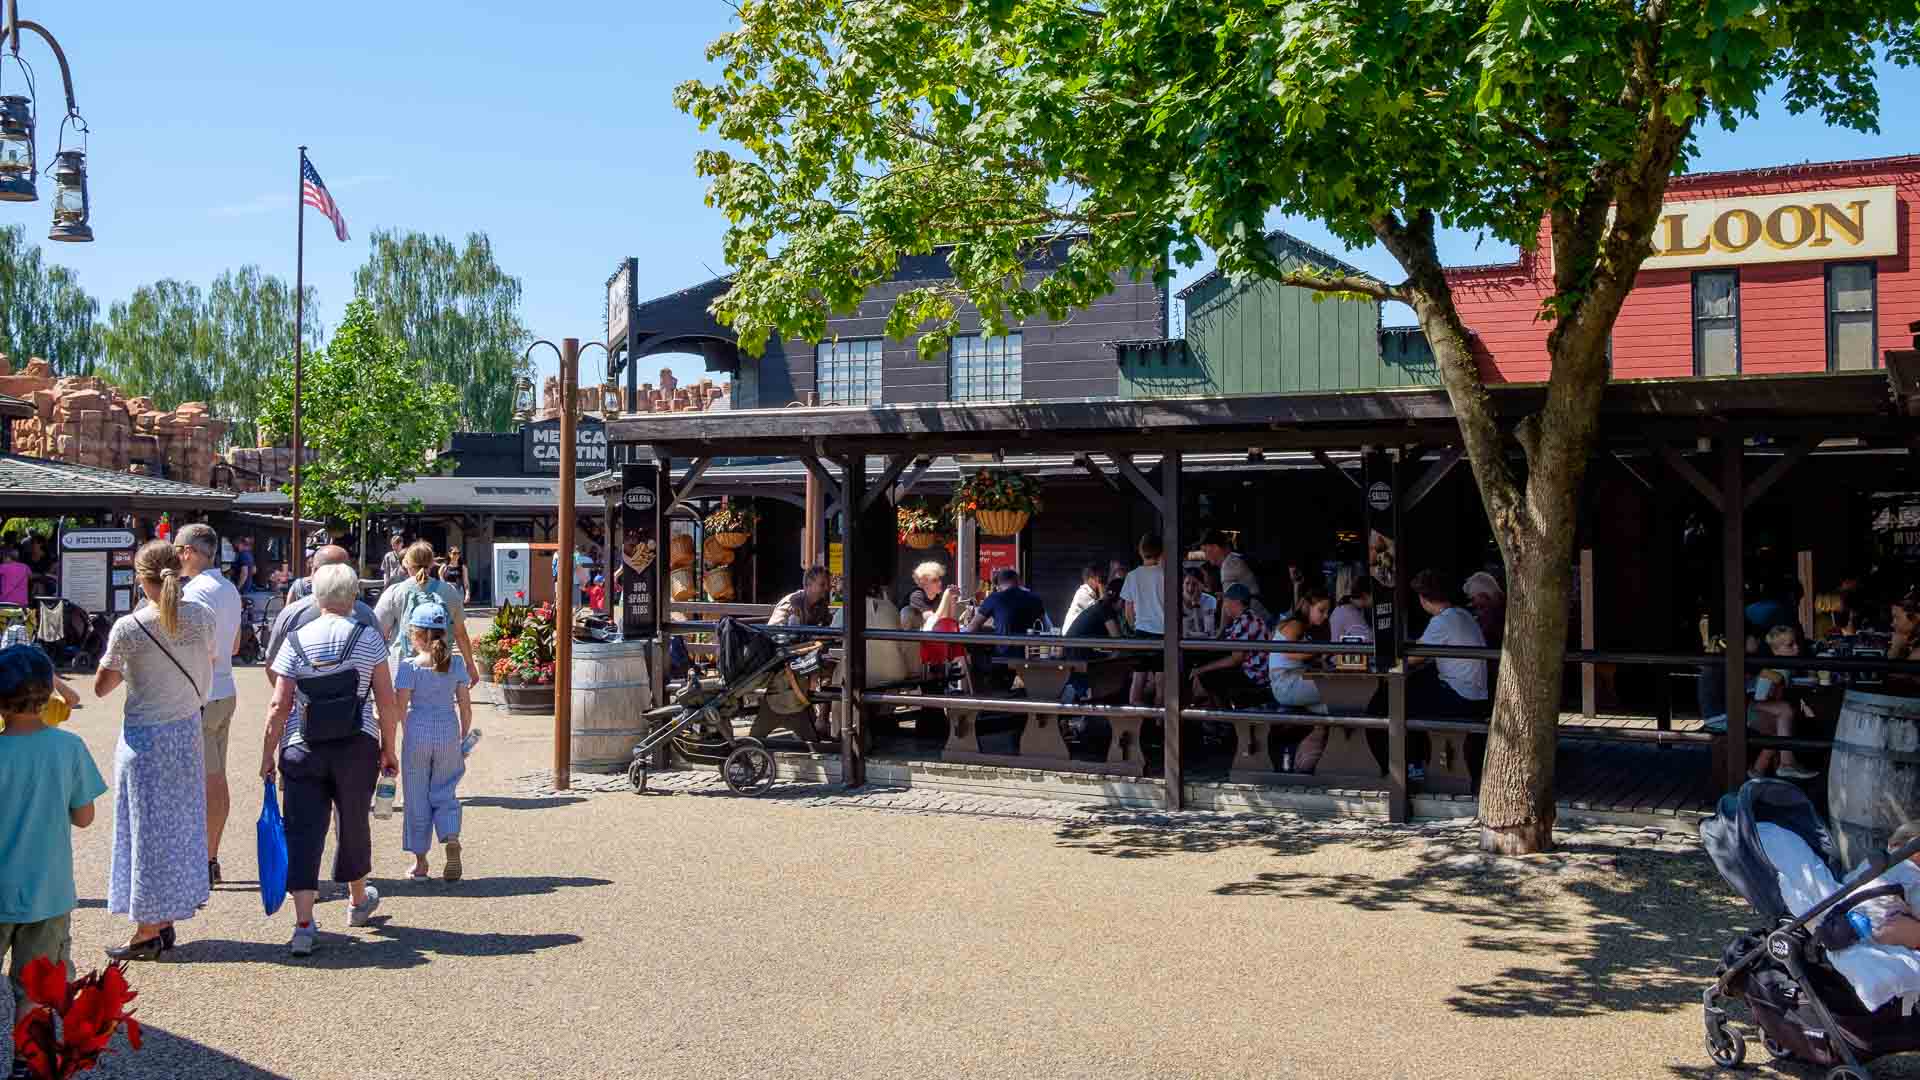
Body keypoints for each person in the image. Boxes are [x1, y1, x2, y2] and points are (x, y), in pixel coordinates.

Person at [263, 563, 399, 957]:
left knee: (303, 831)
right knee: (353, 820)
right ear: (353, 597)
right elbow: (386, 702)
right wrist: (389, 747)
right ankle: (357, 901)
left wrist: (267, 754)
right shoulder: (368, 638)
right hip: (357, 745)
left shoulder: (296, 640)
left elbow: (279, 705)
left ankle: (304, 925)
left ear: (316, 597)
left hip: (302, 745)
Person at [95, 540, 216, 960]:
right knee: (179, 828)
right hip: (186, 731)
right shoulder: (201, 616)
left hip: (146, 738)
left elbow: (101, 686)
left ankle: (147, 928)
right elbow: (211, 662)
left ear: (140, 578)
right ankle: (165, 917)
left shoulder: (131, 627)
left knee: (144, 832)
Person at [0, 644, 105, 1076]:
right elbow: (84, 816)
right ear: (50, 697)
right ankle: (27, 1059)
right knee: (36, 986)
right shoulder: (68, 747)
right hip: (48, 889)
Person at [174, 524, 244, 889]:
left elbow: (201, 647)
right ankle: (210, 857)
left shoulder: (196, 593)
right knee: (216, 777)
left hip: (201, 691)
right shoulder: (228, 588)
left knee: (203, 781)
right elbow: (233, 646)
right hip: (225, 687)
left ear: (188, 551)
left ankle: (203, 860)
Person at [394, 602, 472, 882]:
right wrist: (464, 734)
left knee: (416, 796)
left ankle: (421, 862)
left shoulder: (408, 667)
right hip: (448, 728)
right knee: (446, 789)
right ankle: (450, 836)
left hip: (417, 730)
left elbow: (400, 706)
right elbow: (464, 704)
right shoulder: (457, 664)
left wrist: (403, 732)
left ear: (416, 635)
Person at [267, 546, 380, 680]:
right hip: (356, 699)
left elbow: (273, 664)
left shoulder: (291, 613)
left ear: (314, 571)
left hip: (304, 698)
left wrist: (292, 697)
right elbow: (380, 672)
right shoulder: (366, 614)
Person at [374, 542, 476, 681]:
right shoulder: (449, 592)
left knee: (401, 702)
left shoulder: (394, 592)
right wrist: (470, 665)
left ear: (406, 564)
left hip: (402, 667)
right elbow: (460, 634)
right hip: (440, 666)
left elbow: (380, 634)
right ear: (432, 563)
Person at [1404, 569, 1490, 717]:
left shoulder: (1441, 621)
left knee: (1404, 700)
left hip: (1460, 696)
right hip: (1477, 695)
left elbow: (1411, 659)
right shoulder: (1462, 613)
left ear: (1422, 599)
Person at [1268, 590, 1334, 771]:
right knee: (1339, 692)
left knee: (1338, 707)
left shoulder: (1300, 626)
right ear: (1308, 607)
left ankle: (1322, 756)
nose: (1325, 616)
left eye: (1327, 611)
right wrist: (1321, 651)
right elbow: (1289, 652)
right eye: (1321, 610)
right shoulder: (1295, 624)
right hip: (1287, 683)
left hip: (1292, 681)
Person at [1750, 625, 1820, 781]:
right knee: (1786, 721)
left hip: (1766, 711)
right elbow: (1760, 699)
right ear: (1775, 651)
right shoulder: (1773, 672)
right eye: (1790, 645)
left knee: (1784, 727)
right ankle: (1784, 765)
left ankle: (1756, 773)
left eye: (1796, 643)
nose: (1796, 648)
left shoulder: (1785, 668)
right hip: (1755, 714)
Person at [1188, 584, 1270, 706]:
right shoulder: (1248, 616)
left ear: (1235, 603)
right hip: (1255, 671)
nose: (1224, 606)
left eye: (1226, 601)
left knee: (1208, 675)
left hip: (1254, 675)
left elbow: (1235, 660)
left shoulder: (1244, 622)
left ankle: (1223, 717)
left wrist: (1201, 670)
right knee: (1206, 662)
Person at [1119, 533, 1167, 707]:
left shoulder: (1132, 576)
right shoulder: (1165, 574)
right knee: (1162, 683)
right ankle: (1160, 724)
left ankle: (1137, 721)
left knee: (1138, 678)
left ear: (1140, 551)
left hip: (1141, 632)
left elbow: (1128, 610)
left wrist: (1133, 627)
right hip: (1163, 633)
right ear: (1161, 551)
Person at [964, 568, 1047, 660]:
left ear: (998, 586)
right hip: (1029, 656)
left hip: (1003, 657)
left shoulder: (995, 598)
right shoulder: (1035, 599)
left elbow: (972, 628)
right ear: (1018, 581)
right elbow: (1046, 627)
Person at [1199, 530, 1263, 617]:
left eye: (1205, 551)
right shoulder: (1235, 559)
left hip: (1254, 618)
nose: (1206, 556)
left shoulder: (1228, 565)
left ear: (1215, 548)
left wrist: (1221, 630)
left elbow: (1228, 606)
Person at [770, 566, 834, 630]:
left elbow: (828, 627)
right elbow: (773, 631)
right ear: (809, 584)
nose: (827, 588)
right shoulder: (791, 604)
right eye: (822, 584)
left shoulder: (821, 604)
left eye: (828, 585)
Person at [1462, 571, 1506, 650]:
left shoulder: (1495, 616)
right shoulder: (1501, 607)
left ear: (1483, 595)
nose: (1472, 604)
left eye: (1473, 599)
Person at [904, 561, 947, 630]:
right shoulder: (916, 595)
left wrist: (951, 599)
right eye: (935, 580)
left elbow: (946, 620)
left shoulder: (937, 597)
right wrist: (946, 597)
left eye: (939, 579)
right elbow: (932, 620)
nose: (940, 583)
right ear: (924, 582)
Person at [1062, 563, 1105, 633]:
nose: (1101, 581)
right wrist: (1100, 585)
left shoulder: (1091, 593)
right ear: (1091, 578)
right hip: (1071, 635)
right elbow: (1102, 607)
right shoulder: (1083, 592)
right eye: (1100, 578)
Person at [1180, 565, 1218, 639]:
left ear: (1202, 585)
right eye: (1187, 583)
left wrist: (1195, 605)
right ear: (1182, 584)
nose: (1190, 588)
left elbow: (1208, 633)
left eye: (1195, 584)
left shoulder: (1209, 600)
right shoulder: (1176, 600)